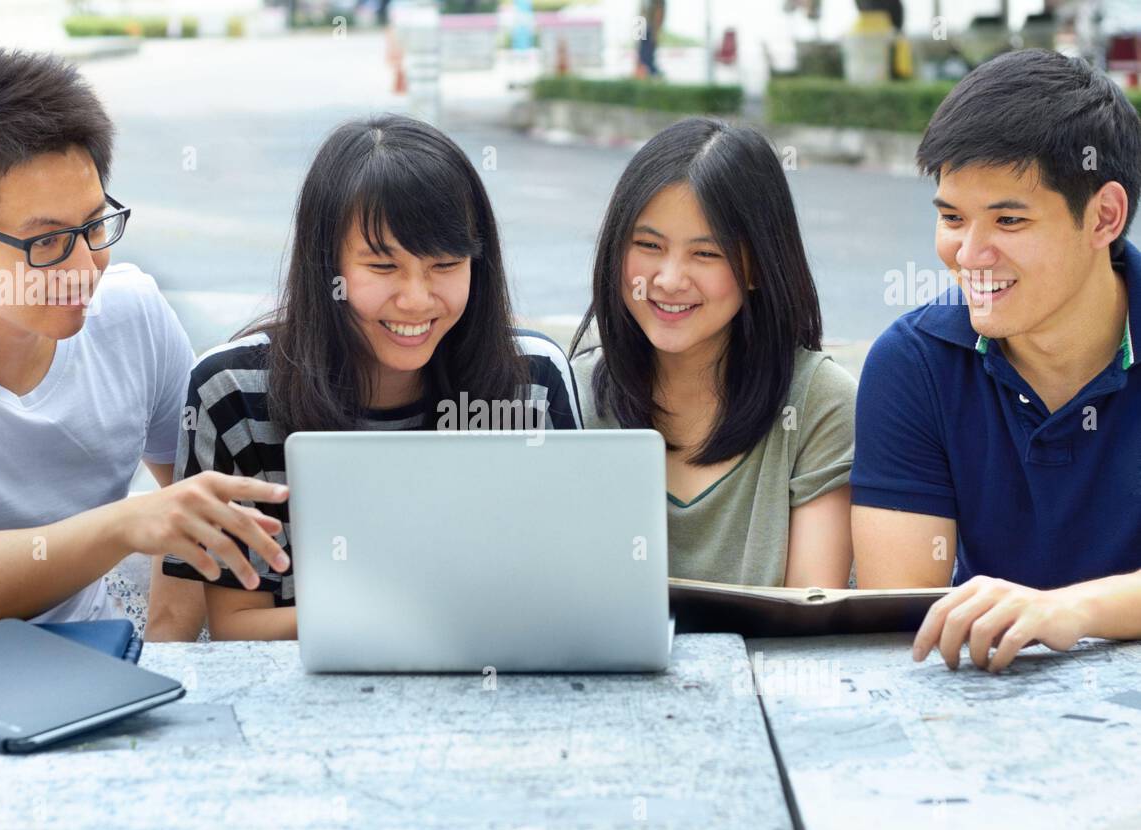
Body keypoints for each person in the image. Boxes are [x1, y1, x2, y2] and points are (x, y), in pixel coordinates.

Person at [0, 49, 282, 648]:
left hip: (86, 666)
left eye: (94, 226)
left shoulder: (133, 317)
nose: (85, 267)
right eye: (46, 241)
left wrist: (165, 649)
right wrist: (127, 522)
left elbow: (194, 501)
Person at [158, 114, 580, 640]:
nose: (417, 299)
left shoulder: (532, 381)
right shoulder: (233, 393)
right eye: (383, 268)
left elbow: (568, 587)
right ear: (326, 267)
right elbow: (238, 626)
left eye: (445, 265)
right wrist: (424, 611)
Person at [852, 49, 1141, 672]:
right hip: (988, 711)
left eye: (1009, 219)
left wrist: (1074, 609)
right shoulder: (914, 365)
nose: (970, 254)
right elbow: (903, 615)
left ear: (1104, 216)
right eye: (953, 218)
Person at [569, 117, 856, 588]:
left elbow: (808, 618)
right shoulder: (572, 397)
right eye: (647, 245)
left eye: (706, 254)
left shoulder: (819, 403)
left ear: (758, 266)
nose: (669, 279)